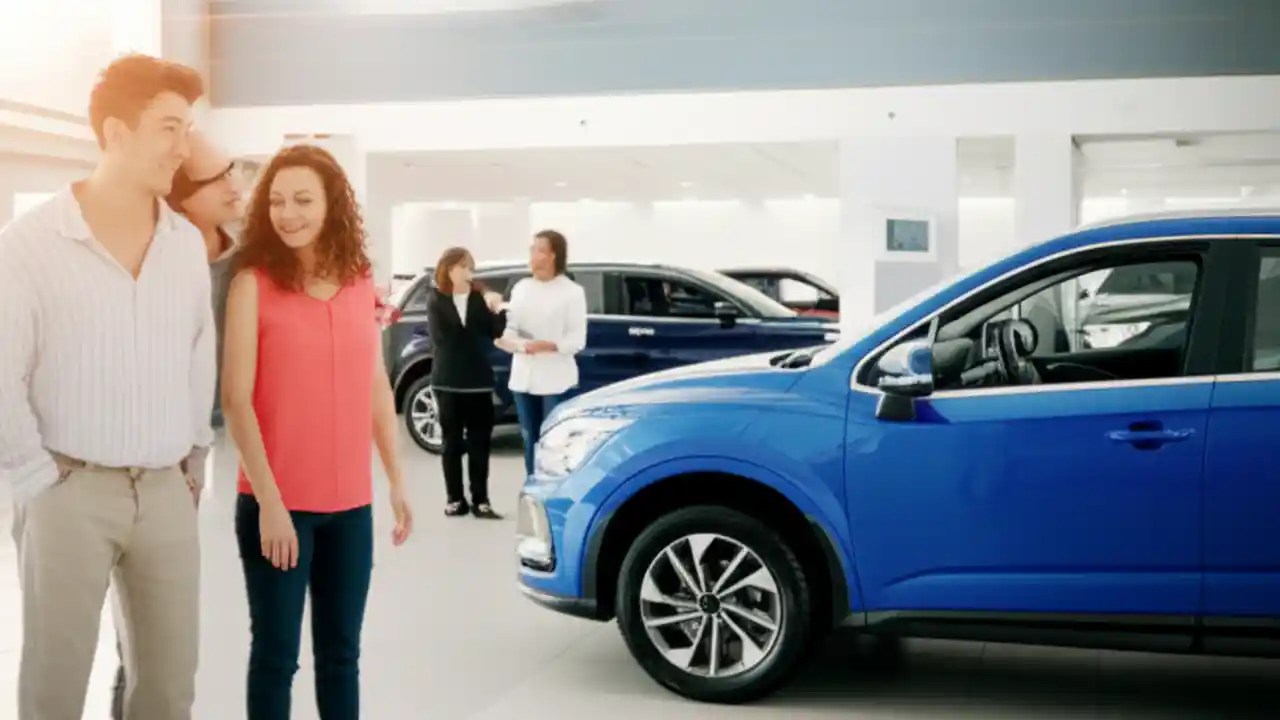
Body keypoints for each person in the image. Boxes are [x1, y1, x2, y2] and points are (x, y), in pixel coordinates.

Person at [0, 54, 212, 720]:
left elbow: (197, 353)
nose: (183, 149)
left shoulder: (184, 244)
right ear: (116, 133)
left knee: (169, 689)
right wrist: (35, 477)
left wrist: (194, 455)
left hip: (165, 492)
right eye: (169, 128)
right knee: (54, 689)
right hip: (69, 492)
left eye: (186, 130)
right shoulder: (29, 243)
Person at [221, 142, 414, 719]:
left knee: (341, 657)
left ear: (332, 204)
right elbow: (235, 401)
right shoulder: (252, 284)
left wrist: (396, 481)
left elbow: (375, 384)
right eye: (277, 201)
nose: (289, 214)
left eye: (303, 200)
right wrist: (270, 505)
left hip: (350, 506)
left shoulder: (359, 282)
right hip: (277, 505)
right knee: (276, 657)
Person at [109, 129, 245, 720]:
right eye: (219, 178)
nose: (235, 186)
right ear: (181, 195)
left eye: (233, 171)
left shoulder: (247, 262)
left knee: (164, 616)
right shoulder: (142, 255)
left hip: (198, 444)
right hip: (135, 451)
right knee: (135, 621)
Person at [497, 229, 588, 475]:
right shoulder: (521, 288)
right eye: (532, 249)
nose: (532, 254)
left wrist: (547, 345)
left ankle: (554, 489)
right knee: (530, 440)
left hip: (556, 379)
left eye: (538, 250)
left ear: (553, 255)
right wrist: (508, 341)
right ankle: (533, 487)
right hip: (523, 377)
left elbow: (577, 340)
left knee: (554, 442)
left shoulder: (572, 292)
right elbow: (510, 328)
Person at [426, 247, 507, 518]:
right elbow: (442, 338)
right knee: (451, 443)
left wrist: (497, 308)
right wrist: (474, 331)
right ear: (449, 269)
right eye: (462, 266)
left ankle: (481, 500)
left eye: (470, 267)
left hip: (478, 381)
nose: (467, 272)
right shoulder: (436, 299)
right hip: (447, 381)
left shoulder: (478, 298)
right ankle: (455, 499)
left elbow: (495, 331)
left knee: (479, 443)